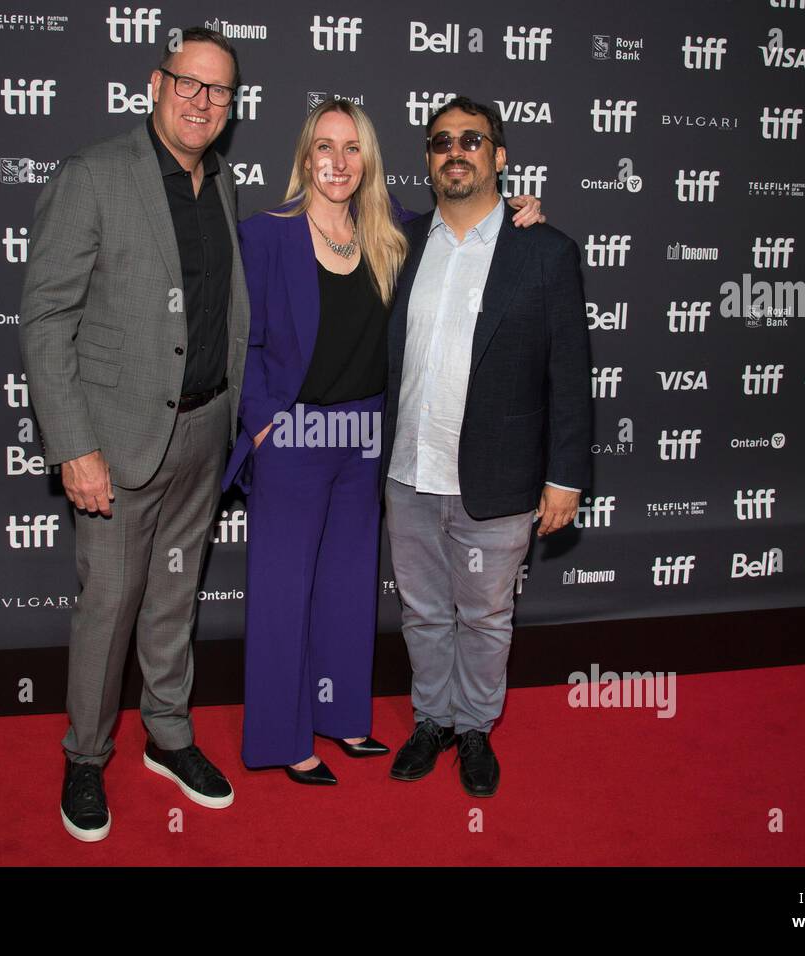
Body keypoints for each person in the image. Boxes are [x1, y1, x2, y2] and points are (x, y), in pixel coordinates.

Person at [223, 100, 543, 784]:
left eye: (352, 148)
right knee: (283, 592)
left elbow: (475, 222)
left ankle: (340, 718)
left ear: (368, 159)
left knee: (347, 587)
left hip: (367, 437)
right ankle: (283, 737)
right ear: (305, 156)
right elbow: (239, 343)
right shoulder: (266, 234)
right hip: (296, 435)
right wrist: (261, 420)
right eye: (323, 147)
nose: (337, 162)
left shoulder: (395, 231)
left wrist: (521, 214)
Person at [19, 27, 248, 841]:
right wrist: (73, 444)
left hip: (203, 431)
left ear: (231, 106)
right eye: (189, 83)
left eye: (219, 91)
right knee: (109, 607)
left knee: (174, 599)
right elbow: (47, 320)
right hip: (115, 442)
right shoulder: (96, 174)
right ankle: (85, 757)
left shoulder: (218, 181)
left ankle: (168, 734)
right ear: (156, 83)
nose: (202, 102)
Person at [381, 96, 593, 798]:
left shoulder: (545, 250)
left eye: (473, 139)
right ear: (429, 158)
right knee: (422, 613)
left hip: (498, 480)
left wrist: (565, 477)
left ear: (499, 155)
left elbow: (570, 372)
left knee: (485, 617)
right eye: (442, 141)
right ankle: (431, 718)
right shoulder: (402, 242)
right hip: (409, 474)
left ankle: (474, 727)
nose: (456, 150)